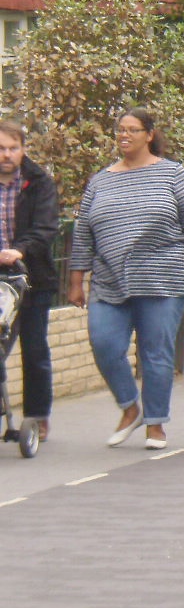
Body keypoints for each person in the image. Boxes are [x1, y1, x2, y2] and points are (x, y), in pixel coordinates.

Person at [66, 108, 184, 451]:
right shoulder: (100, 181)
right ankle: (131, 408)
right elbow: (83, 233)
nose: (124, 135)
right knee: (104, 344)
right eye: (120, 129)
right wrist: (76, 280)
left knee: (155, 353)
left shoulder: (173, 174)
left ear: (149, 135)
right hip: (109, 280)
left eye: (132, 129)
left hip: (163, 279)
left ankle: (155, 424)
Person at [0, 119, 60, 443]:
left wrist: (19, 250)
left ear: (23, 150)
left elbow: (46, 227)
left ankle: (37, 416)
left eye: (13, 148)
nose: (7, 155)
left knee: (34, 350)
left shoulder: (38, 183)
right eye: (1, 148)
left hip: (31, 277)